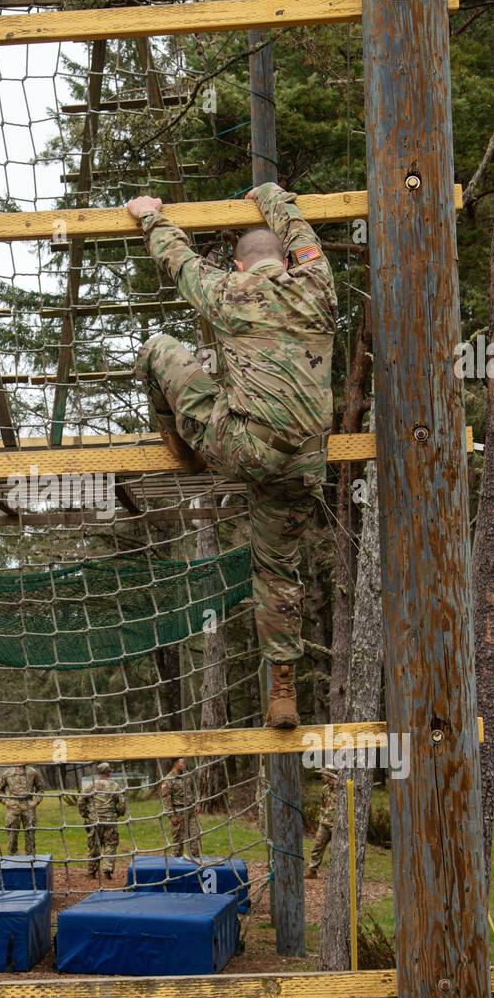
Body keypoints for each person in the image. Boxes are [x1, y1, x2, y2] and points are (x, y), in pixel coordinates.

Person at [126, 183, 336, 730]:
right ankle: (283, 688)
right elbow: (299, 231)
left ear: (241, 264)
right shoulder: (318, 282)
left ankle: (181, 445)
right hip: (306, 464)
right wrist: (269, 192)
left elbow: (178, 260)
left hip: (245, 450)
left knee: (159, 349)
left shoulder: (228, 291)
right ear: (286, 259)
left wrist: (151, 216)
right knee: (277, 568)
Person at [77, 761, 127, 880]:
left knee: (94, 845)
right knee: (110, 844)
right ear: (109, 772)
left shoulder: (91, 785)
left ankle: (91, 872)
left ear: (98, 773)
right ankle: (107, 870)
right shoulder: (115, 786)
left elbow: (81, 801)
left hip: (95, 820)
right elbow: (122, 803)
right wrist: (119, 813)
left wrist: (86, 814)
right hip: (110, 821)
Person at [159, 757, 202, 859]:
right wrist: (171, 816)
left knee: (195, 835)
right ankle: (176, 860)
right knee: (178, 839)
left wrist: (197, 803)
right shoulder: (168, 779)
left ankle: (195, 858)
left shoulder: (187, 775)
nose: (184, 764)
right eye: (182, 763)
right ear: (176, 764)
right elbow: (166, 799)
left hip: (191, 810)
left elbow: (194, 789)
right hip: (178, 812)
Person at [0, 763, 44, 855]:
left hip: (28, 805)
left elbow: (40, 789)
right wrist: (6, 801)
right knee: (12, 835)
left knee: (30, 834)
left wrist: (36, 801)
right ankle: (12, 857)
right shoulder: (7, 773)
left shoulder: (32, 772)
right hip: (13, 806)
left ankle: (30, 857)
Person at [306, 773, 336, 879]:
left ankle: (333, 874)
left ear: (330, 775)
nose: (323, 777)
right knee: (317, 846)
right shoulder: (325, 789)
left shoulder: (342, 789)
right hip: (324, 823)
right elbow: (323, 804)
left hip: (336, 825)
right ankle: (312, 871)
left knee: (335, 849)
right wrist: (322, 817)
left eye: (325, 774)